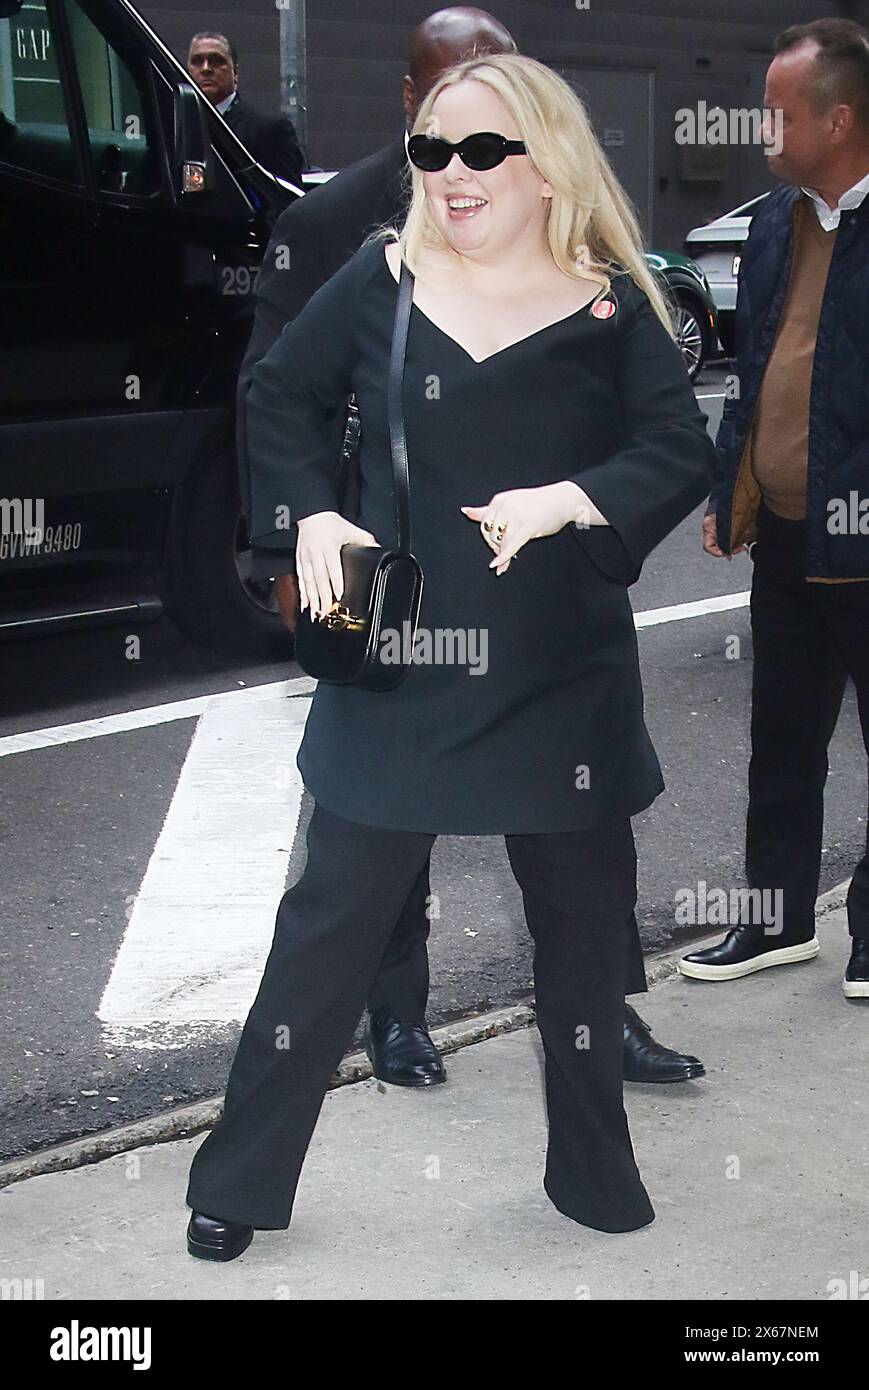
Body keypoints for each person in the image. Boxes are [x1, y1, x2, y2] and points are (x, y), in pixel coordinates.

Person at [184, 50, 717, 1261]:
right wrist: (308, 513)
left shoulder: (606, 299)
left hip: (557, 676)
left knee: (581, 956)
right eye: (432, 149)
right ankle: (240, 1180)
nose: (452, 173)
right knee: (324, 935)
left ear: (546, 164)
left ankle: (593, 1178)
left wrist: (569, 499)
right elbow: (278, 397)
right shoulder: (384, 277)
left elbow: (674, 446)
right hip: (400, 665)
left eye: (483, 150)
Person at [682, 18, 869, 998]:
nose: (761, 129)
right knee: (781, 735)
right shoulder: (768, 222)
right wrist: (729, 491)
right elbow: (751, 378)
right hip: (787, 534)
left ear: (836, 119)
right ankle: (774, 920)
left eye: (777, 112)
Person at [186, 31, 306, 187]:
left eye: (217, 61)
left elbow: (285, 202)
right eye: (197, 61)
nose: (206, 68)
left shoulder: (270, 131)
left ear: (235, 73)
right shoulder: (175, 127)